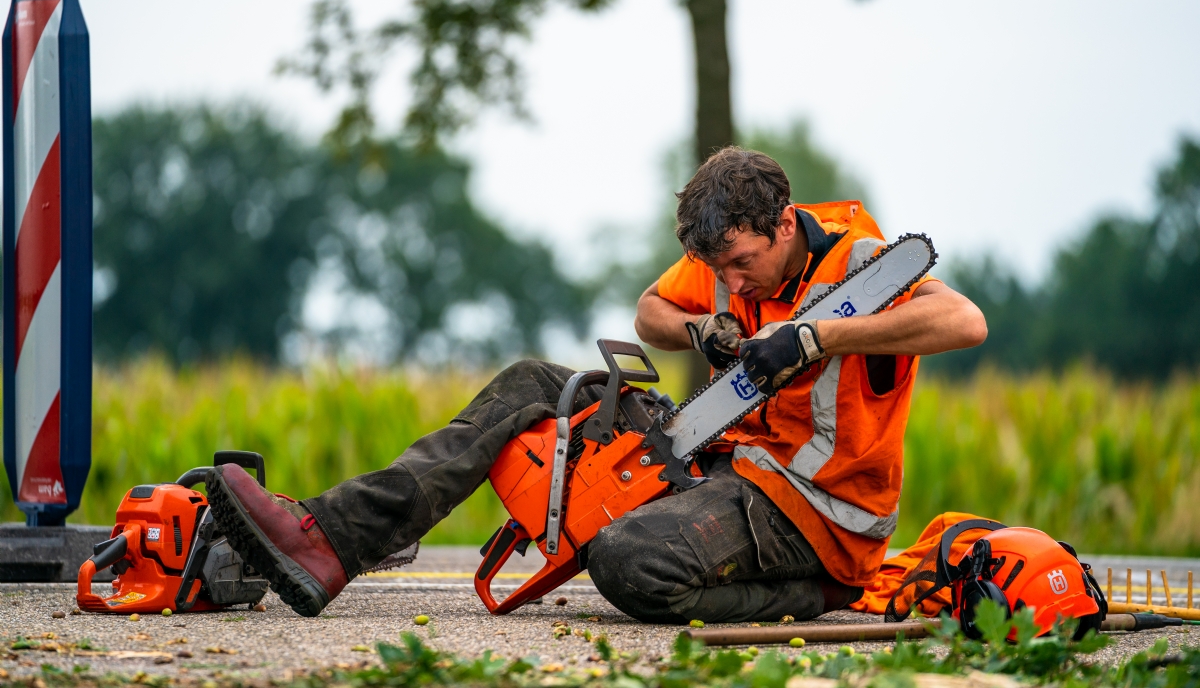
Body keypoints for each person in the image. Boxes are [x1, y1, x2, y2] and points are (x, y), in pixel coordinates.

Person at [206, 147, 987, 622]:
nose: (729, 280)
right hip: (723, 459)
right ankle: (328, 539)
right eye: (718, 269)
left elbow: (965, 323)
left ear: (785, 225)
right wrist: (699, 330)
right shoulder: (725, 256)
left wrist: (816, 335)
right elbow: (651, 309)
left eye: (741, 265)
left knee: (626, 561)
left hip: (814, 511)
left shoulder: (861, 268)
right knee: (537, 384)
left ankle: (819, 594)